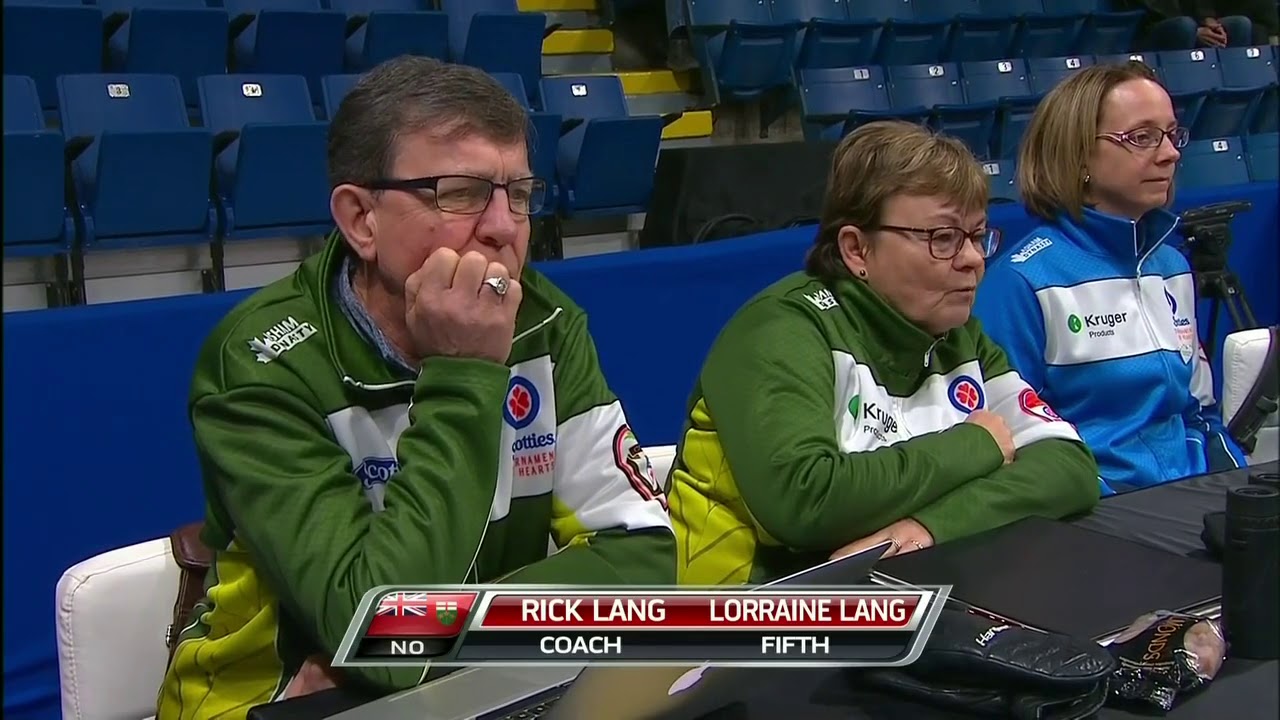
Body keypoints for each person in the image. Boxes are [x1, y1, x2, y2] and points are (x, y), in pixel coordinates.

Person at [156, 56, 675, 718]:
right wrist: (464, 370)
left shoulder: (546, 321)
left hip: (471, 691)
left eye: (518, 193)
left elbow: (644, 561)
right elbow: (383, 633)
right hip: (273, 699)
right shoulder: (261, 364)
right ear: (361, 219)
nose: (504, 225)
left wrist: (438, 641)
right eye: (460, 192)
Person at [665, 121, 1100, 586]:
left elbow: (1069, 467)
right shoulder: (782, 330)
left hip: (901, 595)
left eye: (976, 237)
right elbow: (805, 502)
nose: (973, 259)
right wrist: (978, 446)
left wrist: (927, 528)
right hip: (745, 619)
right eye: (943, 238)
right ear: (856, 249)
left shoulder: (960, 336)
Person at [974, 62, 1247, 497]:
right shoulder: (1022, 282)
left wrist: (1238, 483)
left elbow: (1199, 414)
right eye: (1142, 137)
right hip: (1098, 513)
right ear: (1079, 155)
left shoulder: (1172, 267)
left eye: (1172, 134)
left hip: (1195, 494)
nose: (1170, 153)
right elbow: (1006, 444)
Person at [1122, 0, 1258, 49]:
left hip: (1190, 24)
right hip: (1145, 29)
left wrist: (1207, 19)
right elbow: (1153, 9)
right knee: (1184, 27)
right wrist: (1196, 31)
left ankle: (1231, 96)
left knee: (1239, 25)